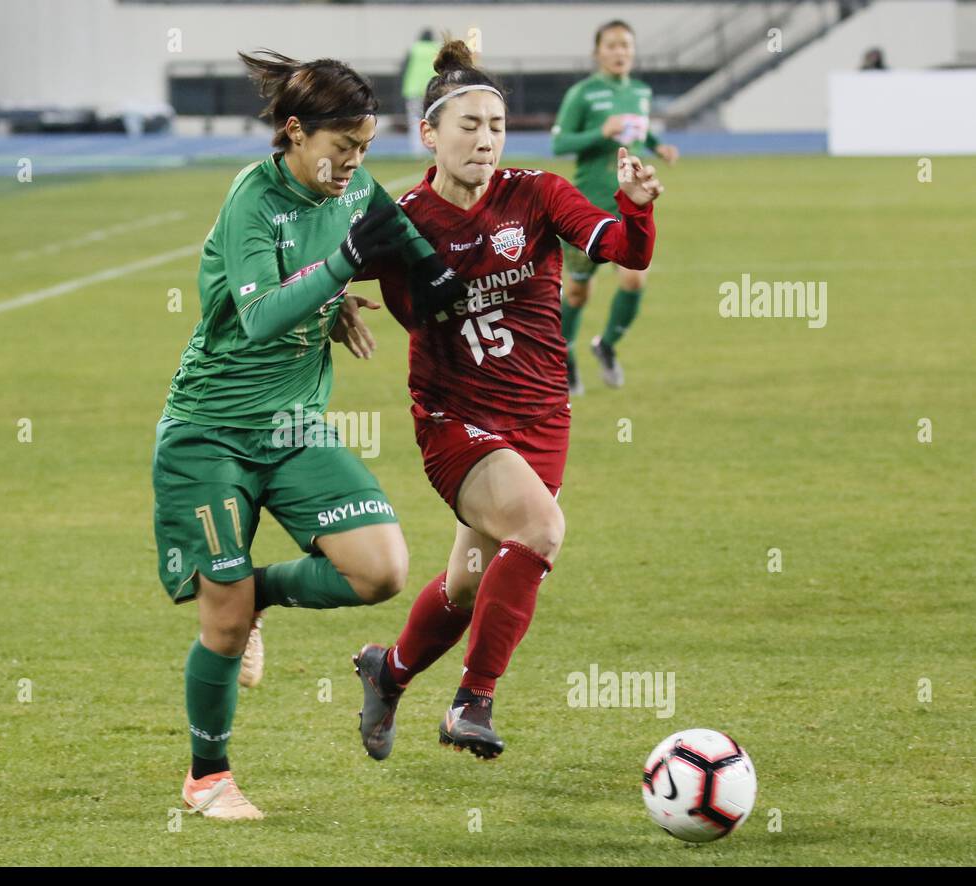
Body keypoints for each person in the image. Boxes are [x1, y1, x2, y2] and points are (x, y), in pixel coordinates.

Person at [153, 49, 463, 819]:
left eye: (364, 150)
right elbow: (258, 316)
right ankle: (207, 780)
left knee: (382, 569)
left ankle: (252, 594)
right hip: (211, 433)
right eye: (342, 148)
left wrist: (447, 287)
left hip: (294, 428)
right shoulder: (251, 200)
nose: (354, 165)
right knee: (219, 633)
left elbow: (419, 259)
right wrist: (342, 269)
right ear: (295, 132)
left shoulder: (355, 188)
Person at [345, 38, 662, 760]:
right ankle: (470, 704)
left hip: (543, 414)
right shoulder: (401, 219)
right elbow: (322, 265)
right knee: (542, 530)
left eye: (495, 125)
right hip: (455, 418)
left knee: (466, 584)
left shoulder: (539, 193)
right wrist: (333, 298)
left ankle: (386, 672)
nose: (485, 139)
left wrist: (636, 209)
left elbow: (620, 248)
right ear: (429, 133)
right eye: (469, 125)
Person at [551, 20, 677, 394]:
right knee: (577, 293)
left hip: (630, 206)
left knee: (634, 279)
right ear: (598, 52)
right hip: (585, 210)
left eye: (626, 45)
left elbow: (640, 130)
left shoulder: (640, 91)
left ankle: (605, 345)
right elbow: (559, 144)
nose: (620, 52)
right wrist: (600, 132)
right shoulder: (583, 94)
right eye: (612, 45)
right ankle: (566, 354)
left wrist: (658, 146)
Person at [401, 30, 441, 156]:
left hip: (413, 90)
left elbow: (404, 68)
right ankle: (433, 147)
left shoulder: (414, 49)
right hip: (432, 90)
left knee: (414, 121)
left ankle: (417, 150)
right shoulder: (437, 49)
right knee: (434, 120)